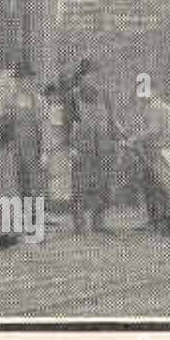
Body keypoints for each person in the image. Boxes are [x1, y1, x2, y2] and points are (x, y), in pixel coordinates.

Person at [69, 61, 119, 234]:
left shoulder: (104, 95)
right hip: (82, 146)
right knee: (79, 186)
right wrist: (71, 147)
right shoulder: (73, 96)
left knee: (104, 185)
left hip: (103, 145)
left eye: (95, 75)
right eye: (89, 75)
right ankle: (79, 224)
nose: (93, 79)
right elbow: (68, 124)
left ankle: (99, 222)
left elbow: (112, 120)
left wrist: (118, 138)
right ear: (82, 78)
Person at [127, 94, 170, 231]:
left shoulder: (151, 109)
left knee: (152, 186)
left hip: (154, 152)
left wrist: (135, 139)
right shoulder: (165, 106)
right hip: (168, 153)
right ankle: (166, 218)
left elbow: (153, 130)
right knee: (166, 186)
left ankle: (156, 221)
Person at [0, 61, 45, 202]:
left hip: (33, 148)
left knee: (34, 182)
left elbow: (43, 128)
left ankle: (35, 217)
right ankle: (20, 215)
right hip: (15, 148)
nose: (23, 83)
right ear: (17, 81)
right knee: (16, 182)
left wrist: (44, 152)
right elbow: (3, 126)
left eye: (26, 79)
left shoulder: (37, 101)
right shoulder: (9, 100)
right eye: (20, 80)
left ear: (30, 80)